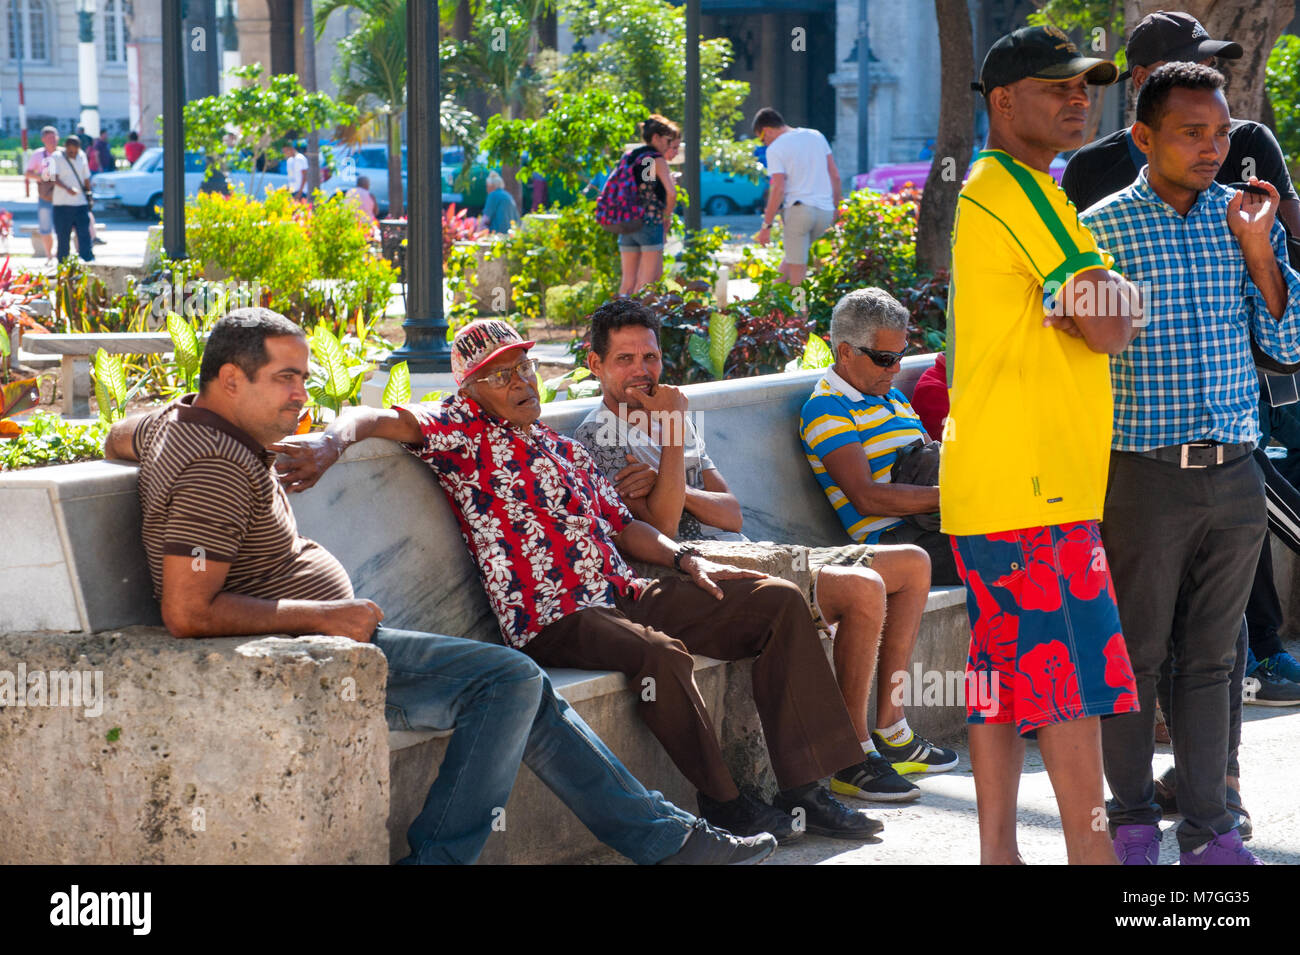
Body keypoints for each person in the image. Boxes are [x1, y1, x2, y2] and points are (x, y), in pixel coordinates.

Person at [101, 307, 775, 867]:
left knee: (520, 690)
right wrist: (329, 616)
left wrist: (168, 423)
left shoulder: (181, 426)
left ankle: (664, 840)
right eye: (285, 379)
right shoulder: (215, 466)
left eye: (303, 378)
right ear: (227, 379)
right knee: (509, 681)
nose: (301, 395)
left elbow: (115, 435)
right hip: (305, 651)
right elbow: (187, 610)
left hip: (326, 635)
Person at [276, 318, 884, 844]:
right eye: (502, 376)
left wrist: (681, 559)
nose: (521, 384)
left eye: (525, 368)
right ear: (470, 390)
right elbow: (375, 415)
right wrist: (330, 442)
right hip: (552, 616)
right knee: (659, 654)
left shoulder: (562, 448)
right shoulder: (461, 434)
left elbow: (626, 528)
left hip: (623, 592)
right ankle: (725, 803)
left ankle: (806, 786)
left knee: (774, 601)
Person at [573, 298, 958, 803]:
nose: (642, 371)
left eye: (650, 357)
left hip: (740, 544)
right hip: (691, 569)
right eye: (625, 359)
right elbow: (664, 529)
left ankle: (891, 729)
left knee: (913, 563)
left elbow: (731, 511)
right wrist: (670, 442)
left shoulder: (674, 418)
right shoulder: (595, 438)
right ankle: (853, 755)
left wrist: (677, 483)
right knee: (864, 588)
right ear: (595, 364)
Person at [1080, 63, 1300, 866]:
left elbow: (1287, 344)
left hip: (1236, 474)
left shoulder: (1244, 220)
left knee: (1214, 660)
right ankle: (1132, 821)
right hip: (1140, 474)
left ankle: (1210, 828)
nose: (1214, 149)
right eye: (1192, 133)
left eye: (1221, 133)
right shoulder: (1098, 227)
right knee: (1134, 655)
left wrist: (1258, 251)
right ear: (1143, 136)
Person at [944, 26, 1141, 865]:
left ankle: (1000, 856)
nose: (1078, 98)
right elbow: (1109, 325)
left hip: (1005, 486)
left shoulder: (1032, 189)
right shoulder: (1010, 187)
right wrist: (1108, 303)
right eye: (1057, 85)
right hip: (1031, 490)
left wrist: (1104, 304)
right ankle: (1092, 859)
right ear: (1002, 101)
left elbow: (1102, 313)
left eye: (1085, 85)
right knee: (1068, 691)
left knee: (1000, 685)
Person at [1061, 11, 1300, 240]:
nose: (1203, 78)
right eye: (1185, 69)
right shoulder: (1089, 167)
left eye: (1208, 66)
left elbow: (1294, 247)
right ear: (1141, 79)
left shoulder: (1248, 142)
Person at [800, 289, 960, 586]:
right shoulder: (826, 407)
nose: (896, 368)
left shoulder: (894, 396)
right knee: (1016, 552)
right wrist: (959, 497)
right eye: (885, 358)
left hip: (940, 529)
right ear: (846, 352)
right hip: (896, 545)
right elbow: (866, 498)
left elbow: (939, 459)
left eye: (901, 355)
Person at [752, 107, 840, 286]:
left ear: (767, 130)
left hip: (800, 212)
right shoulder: (816, 136)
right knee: (793, 258)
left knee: (797, 279)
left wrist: (766, 225)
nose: (765, 144)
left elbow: (778, 188)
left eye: (763, 139)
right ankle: (770, 300)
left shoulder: (776, 148)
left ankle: (799, 312)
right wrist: (836, 209)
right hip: (824, 212)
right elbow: (835, 176)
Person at [615, 115, 679, 296]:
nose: (669, 145)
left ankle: (618, 321)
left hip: (627, 223)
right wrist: (667, 217)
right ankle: (639, 322)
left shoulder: (632, 156)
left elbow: (645, 187)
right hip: (649, 224)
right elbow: (671, 193)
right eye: (668, 140)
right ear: (656, 138)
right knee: (646, 286)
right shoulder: (655, 158)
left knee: (627, 283)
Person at [50, 135, 94, 264]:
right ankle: (63, 264)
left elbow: (86, 177)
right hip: (62, 204)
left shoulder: (82, 155)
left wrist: (89, 194)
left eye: (75, 151)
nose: (73, 154)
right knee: (63, 237)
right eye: (70, 151)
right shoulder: (55, 157)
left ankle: (88, 260)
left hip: (80, 203)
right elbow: (51, 178)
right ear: (65, 148)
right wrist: (67, 188)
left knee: (84, 234)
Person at [23, 125, 59, 260]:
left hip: (62, 197)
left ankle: (61, 254)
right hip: (46, 196)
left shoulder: (62, 153)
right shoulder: (38, 154)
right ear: (43, 139)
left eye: (54, 137)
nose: (52, 140)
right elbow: (27, 173)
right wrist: (42, 177)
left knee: (64, 227)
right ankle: (49, 255)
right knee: (45, 227)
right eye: (49, 138)